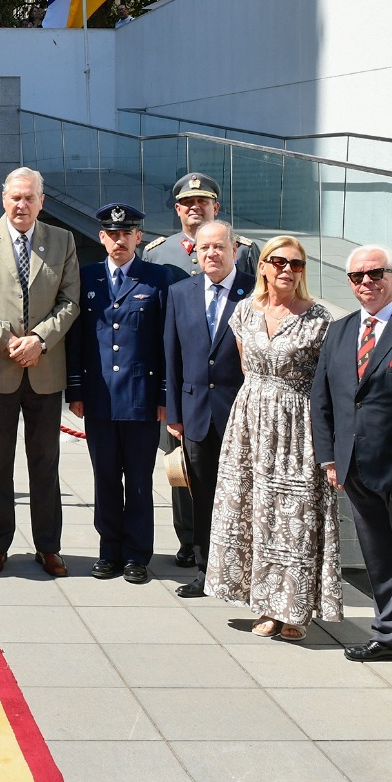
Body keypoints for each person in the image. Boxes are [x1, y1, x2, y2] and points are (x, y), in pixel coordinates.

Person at [310, 245, 392, 688]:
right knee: (379, 558)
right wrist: (329, 457)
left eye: (375, 273)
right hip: (354, 465)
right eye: (356, 277)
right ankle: (388, 633)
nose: (366, 282)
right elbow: (322, 399)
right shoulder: (342, 329)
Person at [205, 236, 339, 641]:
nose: (286, 270)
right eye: (278, 262)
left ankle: (293, 609)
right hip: (249, 422)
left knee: (291, 518)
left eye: (296, 265)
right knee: (251, 510)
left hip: (297, 426)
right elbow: (247, 365)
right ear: (262, 265)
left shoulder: (319, 318)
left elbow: (325, 382)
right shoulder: (245, 311)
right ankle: (263, 605)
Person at [0, 167, 80, 577]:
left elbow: (70, 300)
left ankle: (49, 547)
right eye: (15, 197)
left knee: (45, 462)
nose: (22, 205)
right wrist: (7, 340)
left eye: (30, 198)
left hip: (44, 369)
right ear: (3, 199)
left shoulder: (61, 241)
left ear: (42, 201)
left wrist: (40, 340)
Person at [144, 170, 259, 566]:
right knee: (185, 474)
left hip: (231, 395)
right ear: (177, 210)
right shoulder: (157, 252)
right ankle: (189, 540)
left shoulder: (245, 250)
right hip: (190, 394)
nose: (196, 208)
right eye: (188, 203)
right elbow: (165, 340)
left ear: (216, 207)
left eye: (203, 202)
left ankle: (229, 546)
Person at [66, 203, 175, 583]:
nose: (119, 241)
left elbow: (166, 342)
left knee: (140, 479)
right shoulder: (87, 277)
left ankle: (136, 555)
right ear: (101, 237)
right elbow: (77, 339)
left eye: (127, 234)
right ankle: (109, 551)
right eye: (112, 234)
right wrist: (75, 389)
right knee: (106, 478)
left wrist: (164, 395)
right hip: (99, 397)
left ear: (138, 237)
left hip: (142, 398)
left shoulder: (158, 279)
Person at [162, 221, 254, 599]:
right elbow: (171, 355)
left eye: (219, 247)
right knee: (201, 495)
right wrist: (174, 414)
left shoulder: (254, 290)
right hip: (196, 412)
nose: (212, 254)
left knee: (244, 495)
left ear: (234, 250)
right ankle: (205, 569)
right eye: (204, 249)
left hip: (242, 413)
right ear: (195, 253)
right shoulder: (180, 292)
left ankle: (246, 572)